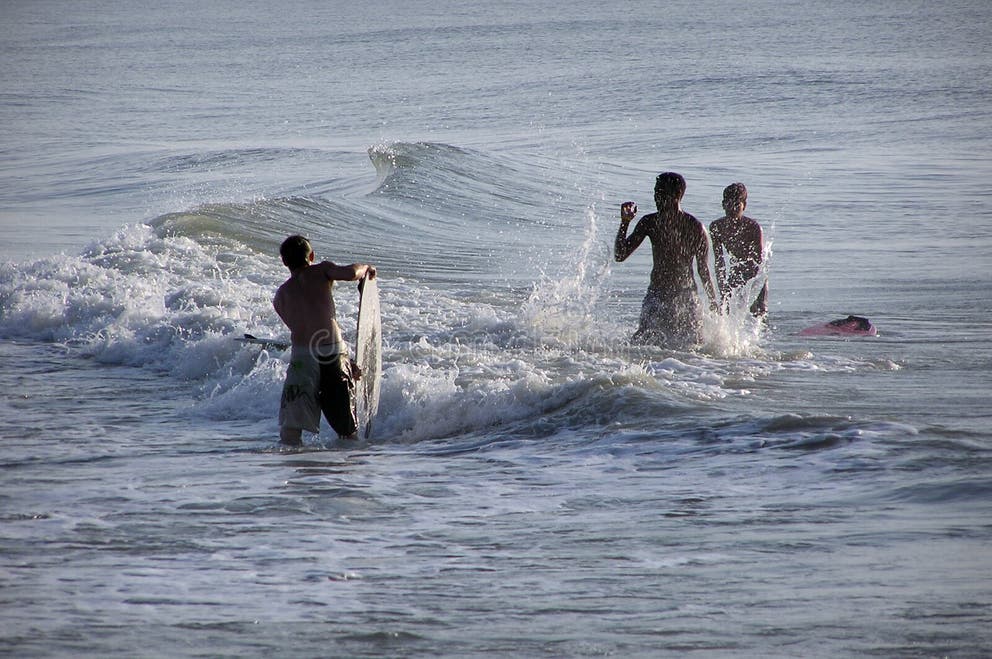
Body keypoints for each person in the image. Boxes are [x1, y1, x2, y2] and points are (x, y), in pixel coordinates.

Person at [272, 235, 376, 446]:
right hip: (332, 353)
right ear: (311, 256)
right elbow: (350, 273)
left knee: (290, 431)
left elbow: (304, 329)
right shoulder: (322, 270)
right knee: (346, 428)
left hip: (301, 356)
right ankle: (349, 467)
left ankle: (294, 466)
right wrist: (366, 268)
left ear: (284, 261)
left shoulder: (280, 297)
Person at [615, 172, 718, 347]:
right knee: (642, 344)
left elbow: (703, 269)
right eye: (655, 193)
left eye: (660, 193)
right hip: (658, 296)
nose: (656, 198)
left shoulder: (694, 227)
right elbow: (620, 255)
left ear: (677, 195)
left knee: (694, 347)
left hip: (685, 298)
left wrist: (714, 302)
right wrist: (625, 222)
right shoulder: (650, 222)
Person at [709, 182, 768, 316]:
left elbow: (759, 261)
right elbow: (719, 261)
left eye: (737, 205)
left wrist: (752, 285)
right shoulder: (716, 227)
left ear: (744, 206)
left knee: (758, 314)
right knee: (726, 312)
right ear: (723, 204)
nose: (733, 209)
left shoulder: (753, 227)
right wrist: (722, 287)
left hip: (755, 278)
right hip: (735, 275)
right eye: (729, 204)